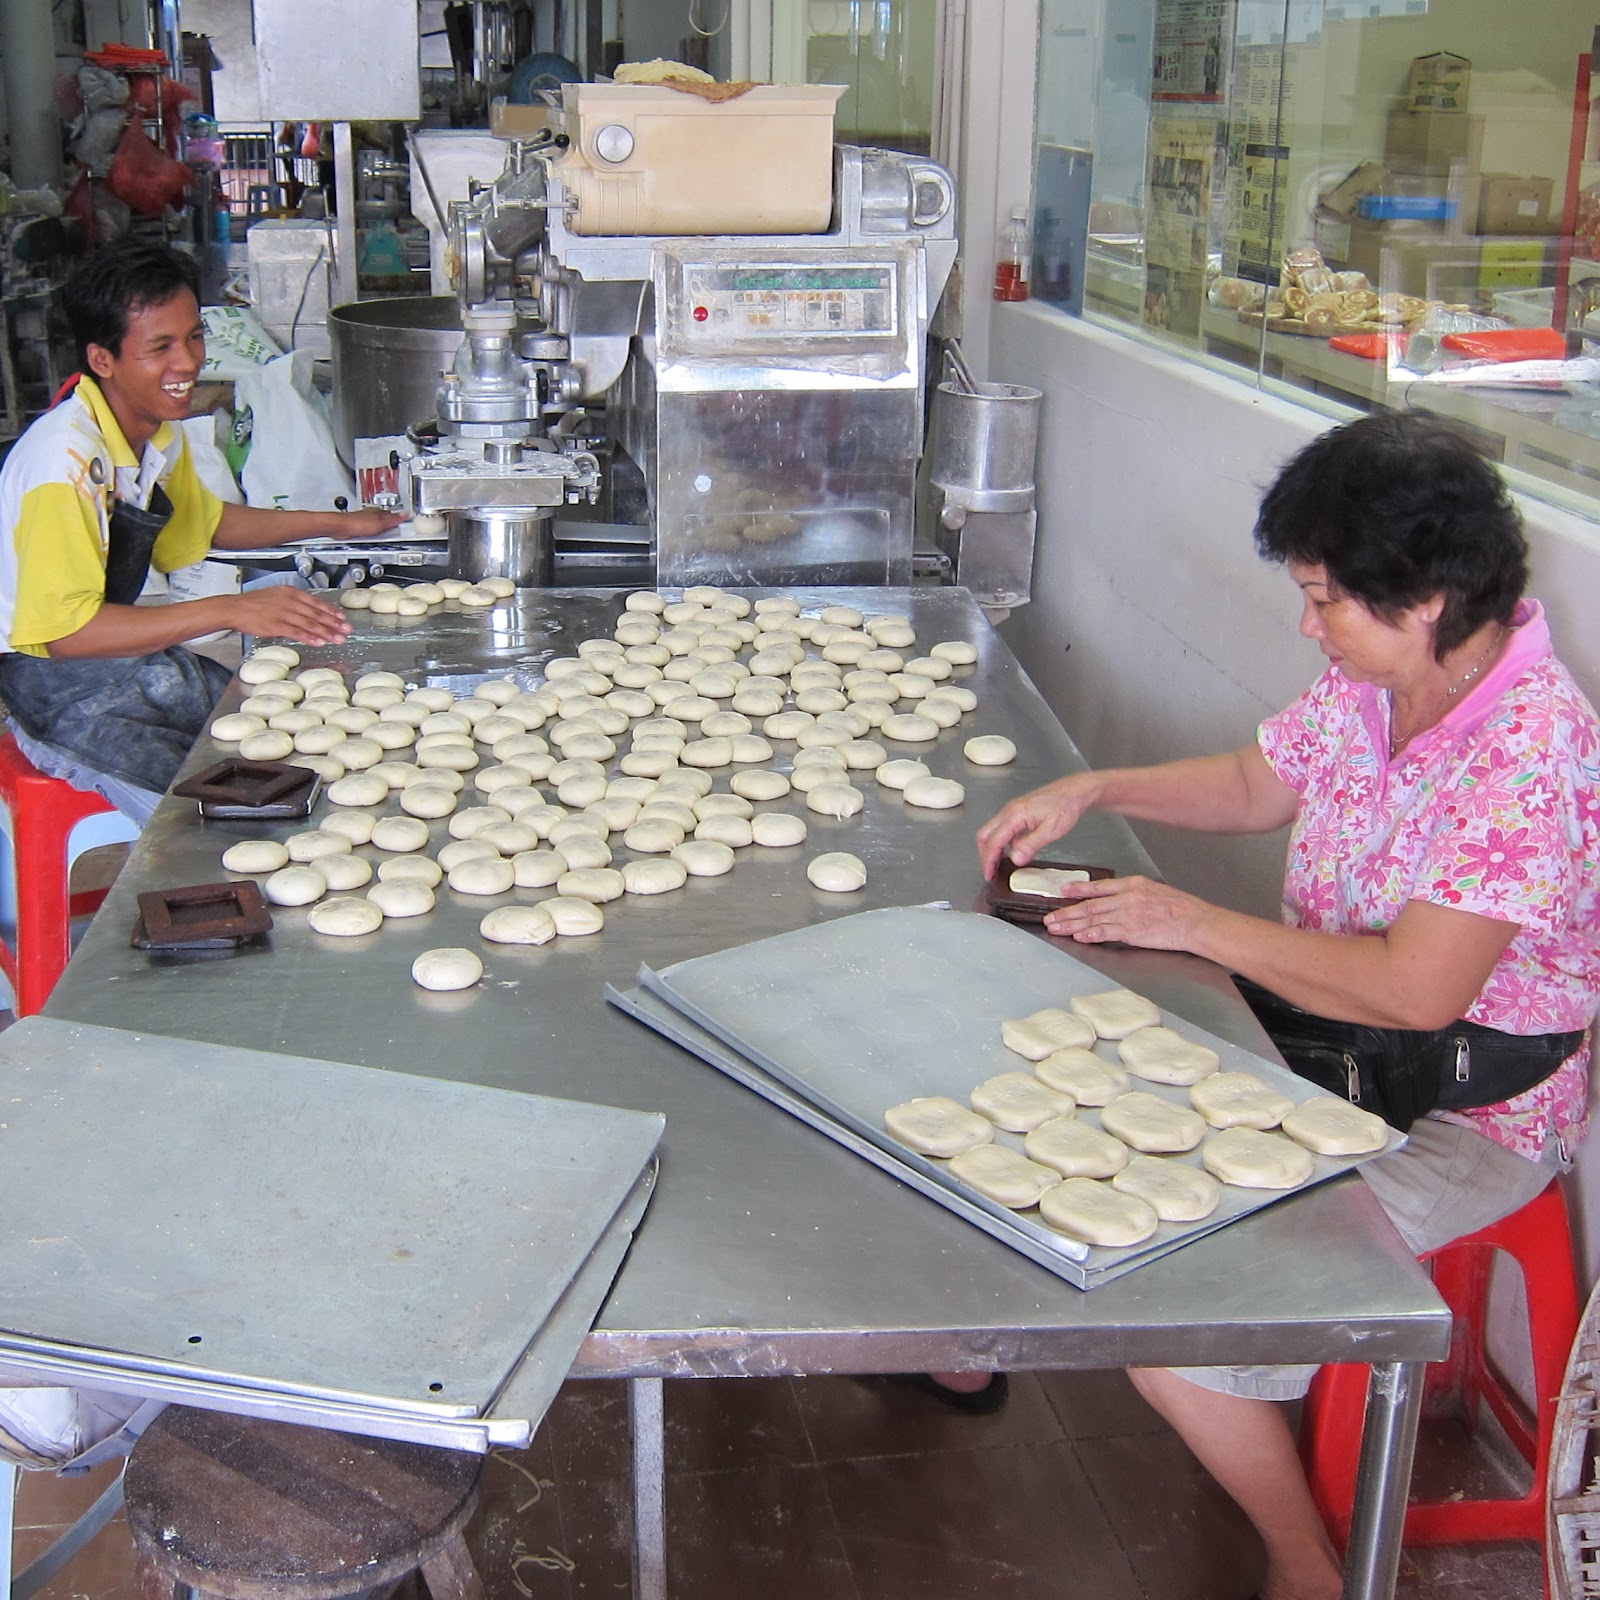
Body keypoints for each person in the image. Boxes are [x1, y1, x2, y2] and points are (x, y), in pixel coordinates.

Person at [976, 411, 1600, 1600]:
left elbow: (1422, 989)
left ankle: (1305, 1564)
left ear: (1421, 602)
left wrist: (1195, 923)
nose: (1305, 624)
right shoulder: (1377, 682)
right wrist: (1096, 784)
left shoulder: (1530, 753)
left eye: (1325, 599)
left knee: (1176, 1321)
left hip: (1461, 1111)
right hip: (1328, 1044)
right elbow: (1261, 783)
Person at [0, 237, 401, 823]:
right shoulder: (64, 467)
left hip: (127, 662)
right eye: (159, 347)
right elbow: (65, 635)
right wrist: (231, 610)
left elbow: (209, 524)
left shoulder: (153, 432)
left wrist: (340, 523)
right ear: (103, 359)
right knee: (217, 819)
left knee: (288, 728)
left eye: (193, 336)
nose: (188, 363)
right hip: (58, 693)